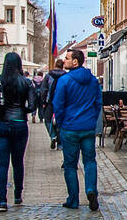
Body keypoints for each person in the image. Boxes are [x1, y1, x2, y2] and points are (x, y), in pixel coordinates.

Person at [54, 48, 103, 211]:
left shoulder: (64, 80)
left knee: (70, 165)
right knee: (89, 161)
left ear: (75, 61)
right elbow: (98, 103)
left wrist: (60, 123)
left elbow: (58, 105)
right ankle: (91, 190)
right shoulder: (93, 80)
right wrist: (91, 119)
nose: (65, 61)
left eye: (67, 58)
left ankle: (73, 199)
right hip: (87, 127)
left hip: (70, 127)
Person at [0, 51, 37, 212]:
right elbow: (32, 106)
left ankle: (2, 200)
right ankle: (17, 194)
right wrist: (21, 110)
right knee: (18, 162)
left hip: (1, 124)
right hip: (19, 124)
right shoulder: (26, 82)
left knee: (2, 164)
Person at [40, 58, 66, 150]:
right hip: (62, 102)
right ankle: (60, 144)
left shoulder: (48, 76)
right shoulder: (66, 76)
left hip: (49, 102)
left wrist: (43, 101)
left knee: (47, 120)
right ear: (62, 66)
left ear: (55, 65)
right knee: (60, 123)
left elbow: (43, 90)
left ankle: (53, 135)